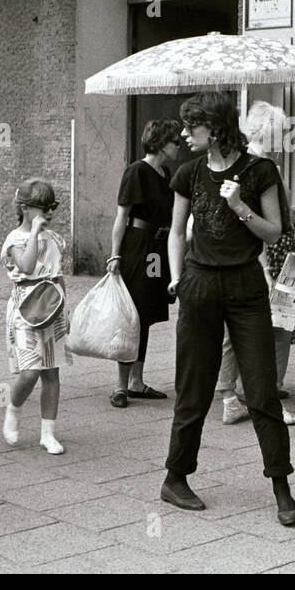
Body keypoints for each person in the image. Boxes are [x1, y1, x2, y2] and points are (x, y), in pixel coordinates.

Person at [161, 92, 295, 526]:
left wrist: (240, 206)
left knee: (261, 390)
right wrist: (176, 276)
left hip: (245, 286)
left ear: (216, 129)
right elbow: (177, 232)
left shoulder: (261, 171)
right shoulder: (188, 173)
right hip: (199, 286)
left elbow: (275, 231)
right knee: (193, 387)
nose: (184, 135)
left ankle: (282, 487)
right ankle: (175, 478)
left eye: (192, 127)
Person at [215, 101, 295, 427]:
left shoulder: (243, 163)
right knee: (274, 329)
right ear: (269, 131)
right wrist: (265, 266)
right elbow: (256, 219)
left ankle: (230, 396)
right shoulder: (261, 167)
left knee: (238, 330)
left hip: (258, 254)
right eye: (281, 132)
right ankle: (267, 394)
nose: (285, 139)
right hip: (267, 255)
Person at [105, 119, 183, 408]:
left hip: (156, 250)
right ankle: (121, 385)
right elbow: (121, 216)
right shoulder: (137, 170)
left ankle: (137, 381)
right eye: (175, 141)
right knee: (132, 313)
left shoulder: (165, 172)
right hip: (137, 246)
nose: (179, 145)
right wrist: (115, 255)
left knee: (147, 311)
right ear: (162, 143)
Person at [0, 179, 71, 455]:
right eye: (43, 208)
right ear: (25, 209)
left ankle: (48, 433)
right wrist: (33, 233)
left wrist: (65, 309)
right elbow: (28, 266)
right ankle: (13, 408)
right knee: (30, 372)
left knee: (51, 373)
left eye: (52, 207)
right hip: (25, 308)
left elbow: (58, 275)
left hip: (51, 307)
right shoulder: (14, 240)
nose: (49, 213)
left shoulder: (54, 239)